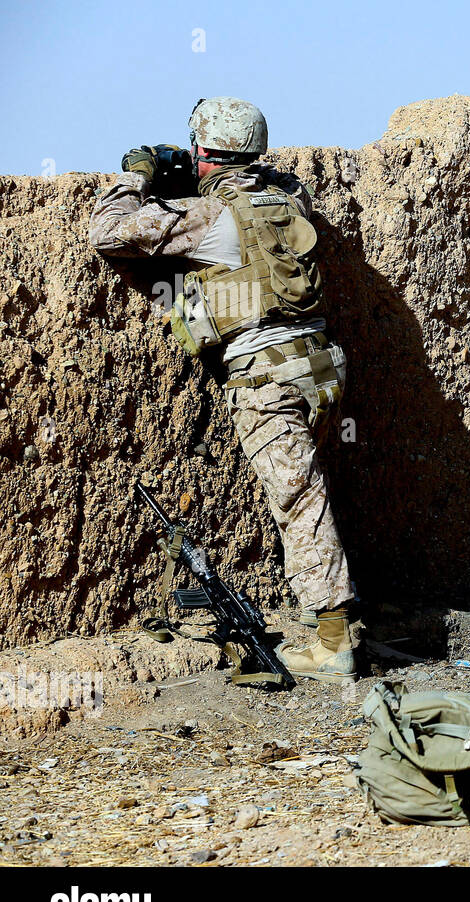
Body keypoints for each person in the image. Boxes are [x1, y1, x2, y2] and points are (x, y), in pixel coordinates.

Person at [89, 97, 360, 682]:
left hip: (265, 372)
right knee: (314, 485)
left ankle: (334, 641)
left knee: (300, 499)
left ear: (204, 151)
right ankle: (341, 614)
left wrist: (137, 174)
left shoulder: (212, 219)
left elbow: (108, 233)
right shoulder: (289, 200)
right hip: (320, 366)